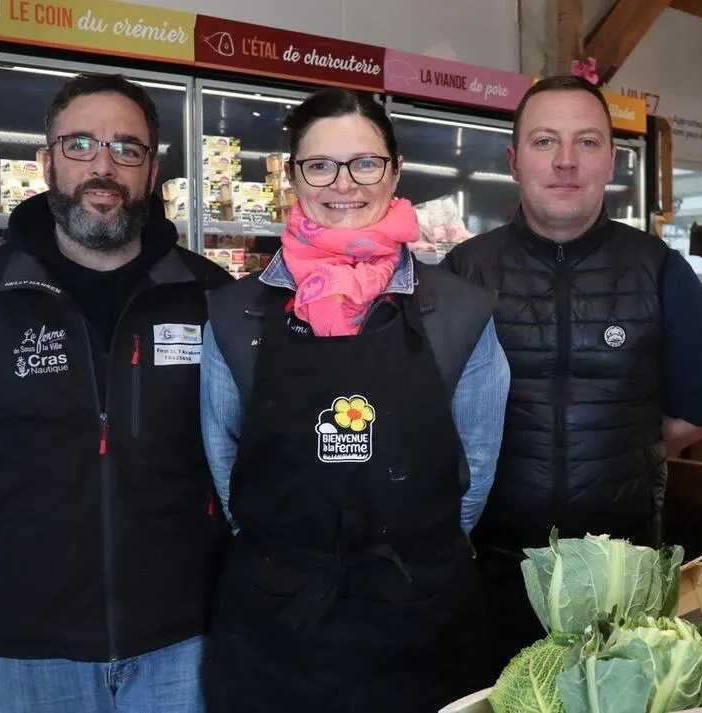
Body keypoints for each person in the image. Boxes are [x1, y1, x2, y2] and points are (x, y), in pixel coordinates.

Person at [0, 73, 232, 713]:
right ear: (46, 162)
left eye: (127, 148)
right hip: (26, 642)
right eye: (80, 144)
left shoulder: (214, 297)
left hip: (186, 635)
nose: (103, 167)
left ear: (152, 171)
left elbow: (240, 442)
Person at [200, 87, 510, 713]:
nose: (343, 183)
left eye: (365, 163)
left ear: (395, 172)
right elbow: (226, 464)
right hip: (275, 626)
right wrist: (287, 560)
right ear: (293, 177)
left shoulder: (459, 312)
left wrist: (419, 561)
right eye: (320, 165)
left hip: (420, 620)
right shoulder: (237, 315)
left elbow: (473, 474)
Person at [443, 74, 702, 675]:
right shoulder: (463, 273)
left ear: (611, 162)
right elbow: (431, 414)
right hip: (490, 571)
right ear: (513, 161)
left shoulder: (662, 271)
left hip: (623, 575)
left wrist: (626, 452)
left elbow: (694, 415)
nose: (566, 161)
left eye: (587, 142)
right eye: (545, 141)